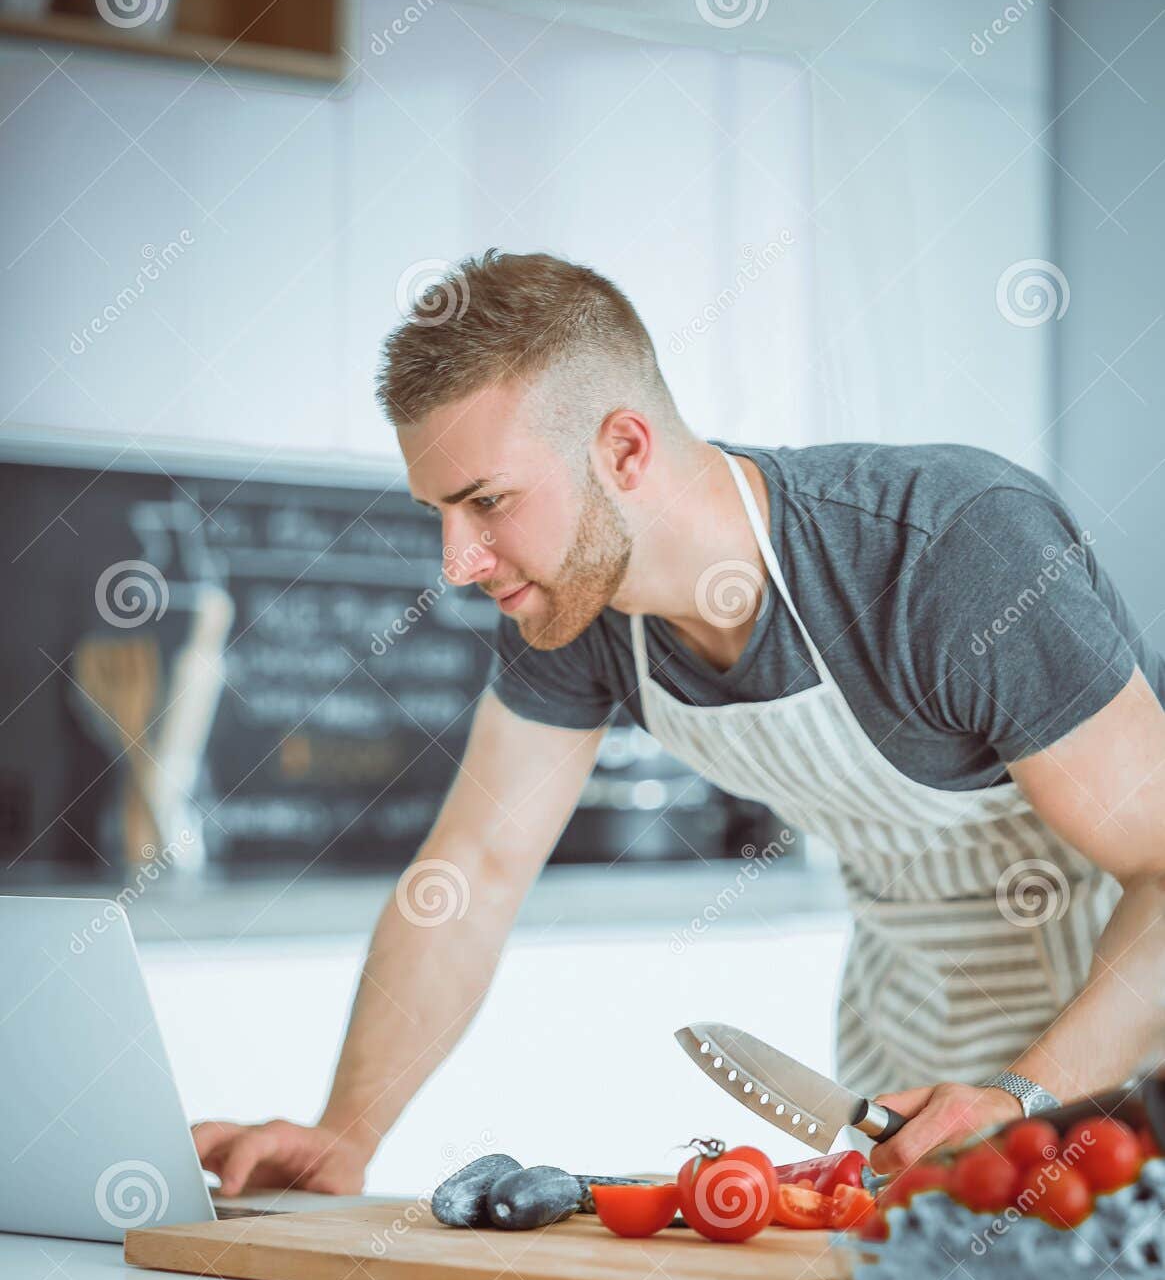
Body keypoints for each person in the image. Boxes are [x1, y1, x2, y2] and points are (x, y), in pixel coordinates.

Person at [193, 250, 1165, 1198]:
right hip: (907, 1049)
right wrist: (345, 1131)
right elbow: (475, 872)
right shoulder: (570, 608)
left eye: (486, 501)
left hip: (1126, 1053)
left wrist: (1024, 1094)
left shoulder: (950, 554)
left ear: (623, 449)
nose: (459, 558)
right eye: (438, 512)